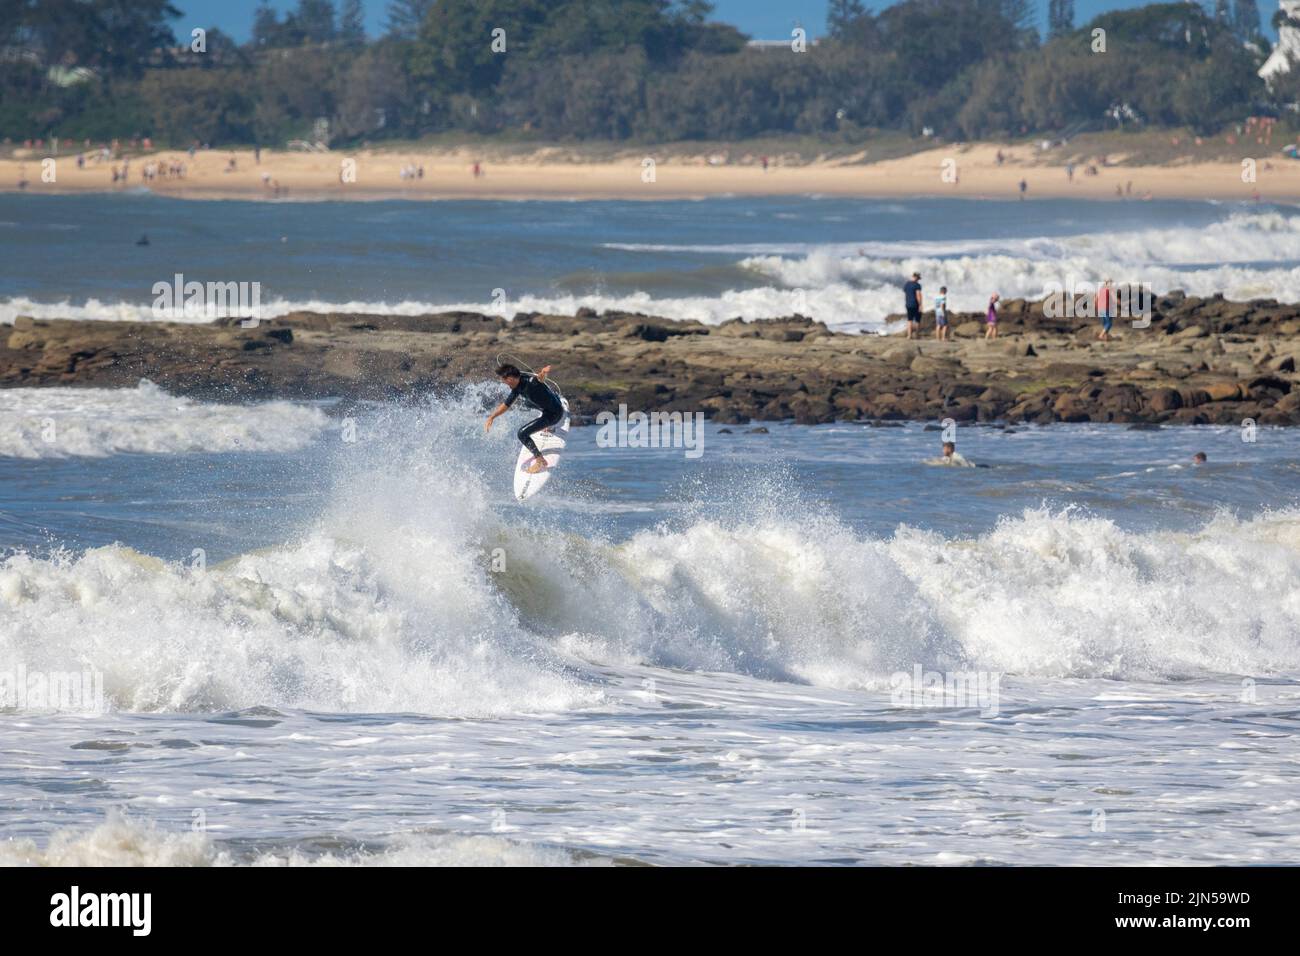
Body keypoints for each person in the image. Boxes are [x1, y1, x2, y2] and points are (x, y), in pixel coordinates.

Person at [485, 363, 564, 474]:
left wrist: (543, 373)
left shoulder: (531, 381)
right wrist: (492, 416)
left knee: (522, 434)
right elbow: (506, 404)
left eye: (504, 380)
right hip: (550, 405)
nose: (504, 382)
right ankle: (554, 399)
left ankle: (539, 460)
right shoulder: (517, 387)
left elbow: (539, 379)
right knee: (527, 403)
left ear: (510, 378)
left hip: (554, 414)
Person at [903, 272, 923, 339]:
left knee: (909, 320)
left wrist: (906, 302)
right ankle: (917, 335)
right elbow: (918, 295)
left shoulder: (907, 284)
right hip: (915, 304)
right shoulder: (917, 285)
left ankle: (909, 335)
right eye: (918, 278)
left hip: (908, 304)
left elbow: (906, 294)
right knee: (917, 320)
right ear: (917, 277)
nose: (918, 280)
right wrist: (920, 305)